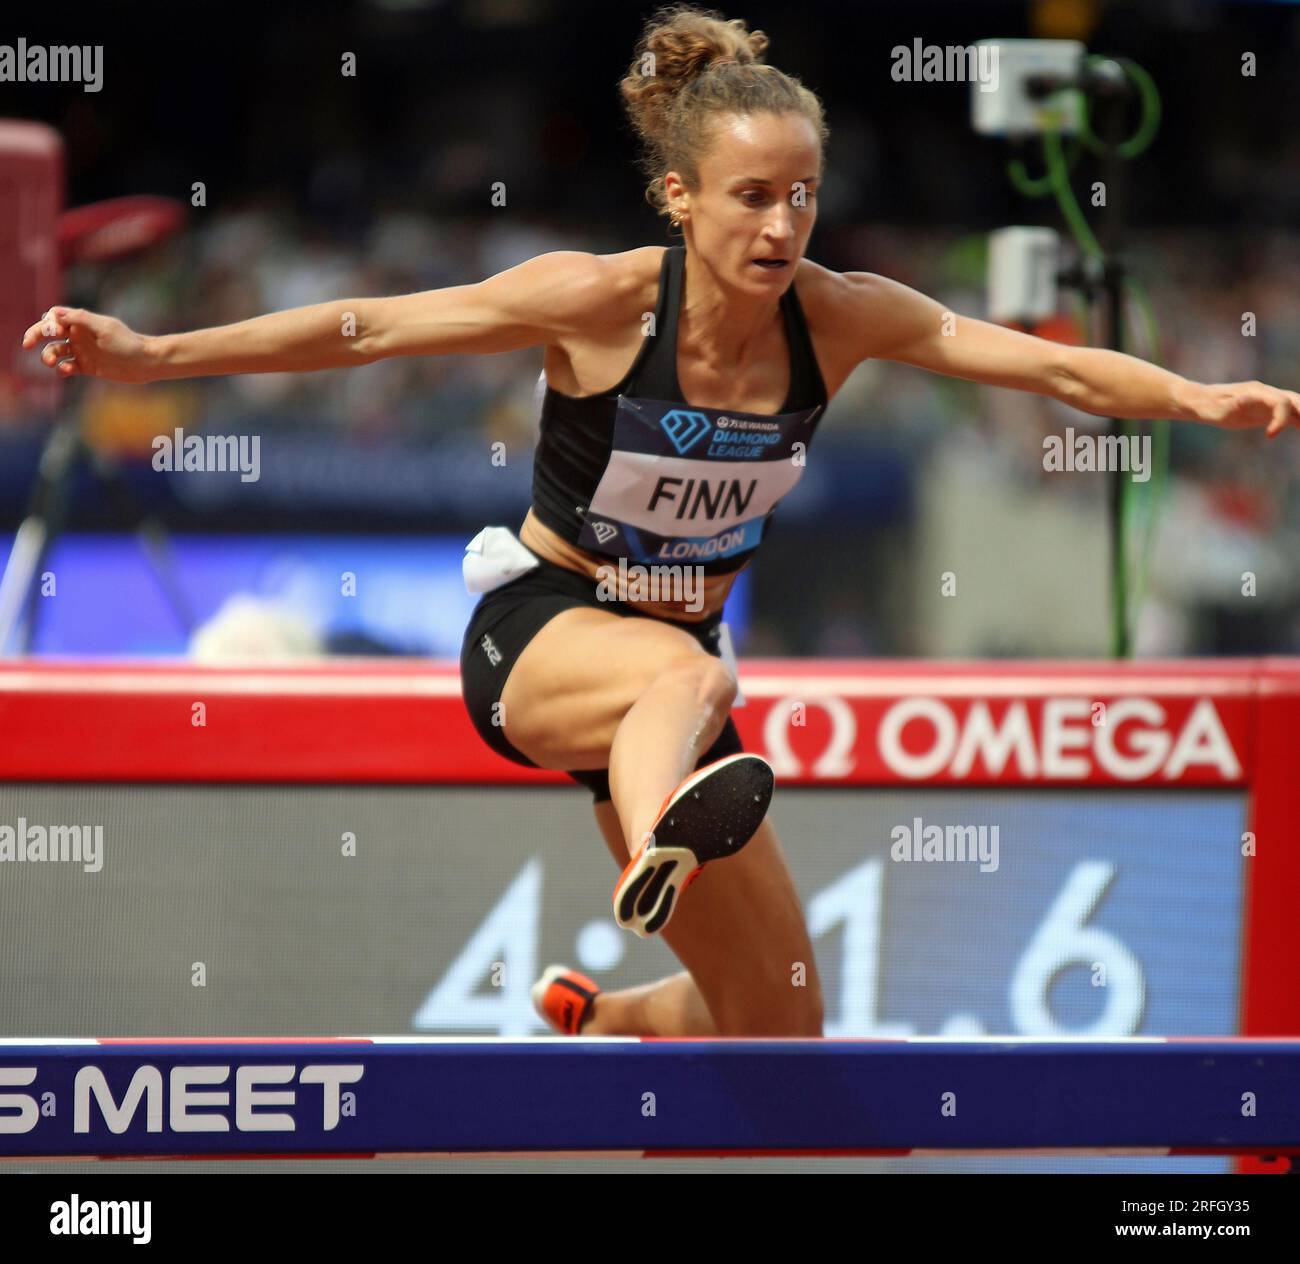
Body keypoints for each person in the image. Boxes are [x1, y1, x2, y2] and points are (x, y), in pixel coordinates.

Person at [22, 4, 1299, 1039]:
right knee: (687, 670)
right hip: (546, 637)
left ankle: (613, 1009)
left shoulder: (840, 316)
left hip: (679, 717)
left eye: (801, 196)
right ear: (679, 198)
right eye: (750, 197)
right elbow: (369, 327)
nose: (782, 226)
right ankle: (652, 843)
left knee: (780, 1018)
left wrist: (1199, 394)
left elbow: (1056, 371)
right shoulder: (595, 303)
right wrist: (150, 350)